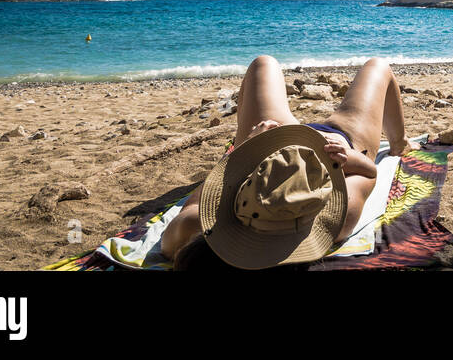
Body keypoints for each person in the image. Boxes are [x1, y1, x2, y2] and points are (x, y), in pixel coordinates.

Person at [163, 55, 406, 269]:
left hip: (274, 143)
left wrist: (247, 147)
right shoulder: (335, 223)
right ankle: (399, 143)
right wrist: (345, 155)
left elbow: (214, 184)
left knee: (263, 63)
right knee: (379, 66)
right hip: (336, 142)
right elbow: (369, 172)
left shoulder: (194, 227)